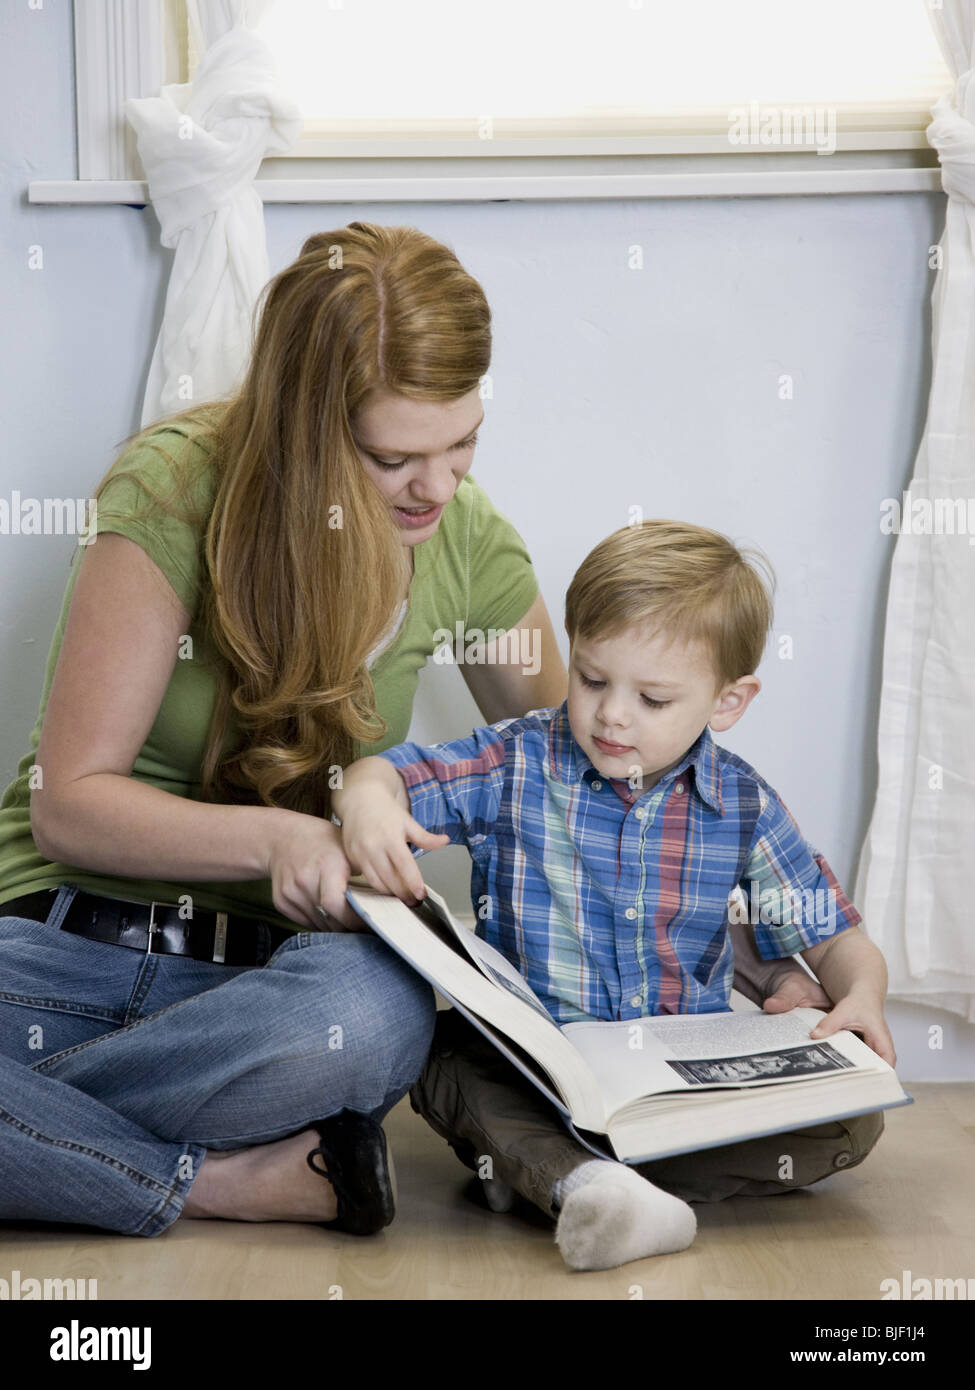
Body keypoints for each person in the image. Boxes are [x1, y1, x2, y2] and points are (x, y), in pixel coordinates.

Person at [0, 221, 571, 1239]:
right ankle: (213, 1179)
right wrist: (282, 839)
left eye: (463, 441)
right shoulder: (175, 488)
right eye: (395, 456)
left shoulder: (465, 536)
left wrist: (761, 942)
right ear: (307, 425)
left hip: (277, 999)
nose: (437, 488)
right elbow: (70, 806)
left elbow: (577, 776)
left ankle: (49, 1138)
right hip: (58, 947)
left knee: (375, 1020)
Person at [332, 519, 894, 1271]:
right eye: (592, 679)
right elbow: (391, 774)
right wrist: (367, 801)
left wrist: (860, 996)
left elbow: (832, 935)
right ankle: (580, 1177)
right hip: (537, 1067)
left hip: (669, 1082)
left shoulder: (742, 805)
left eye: (652, 699)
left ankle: (564, 1180)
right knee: (446, 1062)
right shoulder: (516, 762)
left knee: (852, 1125)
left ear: (727, 701)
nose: (611, 714)